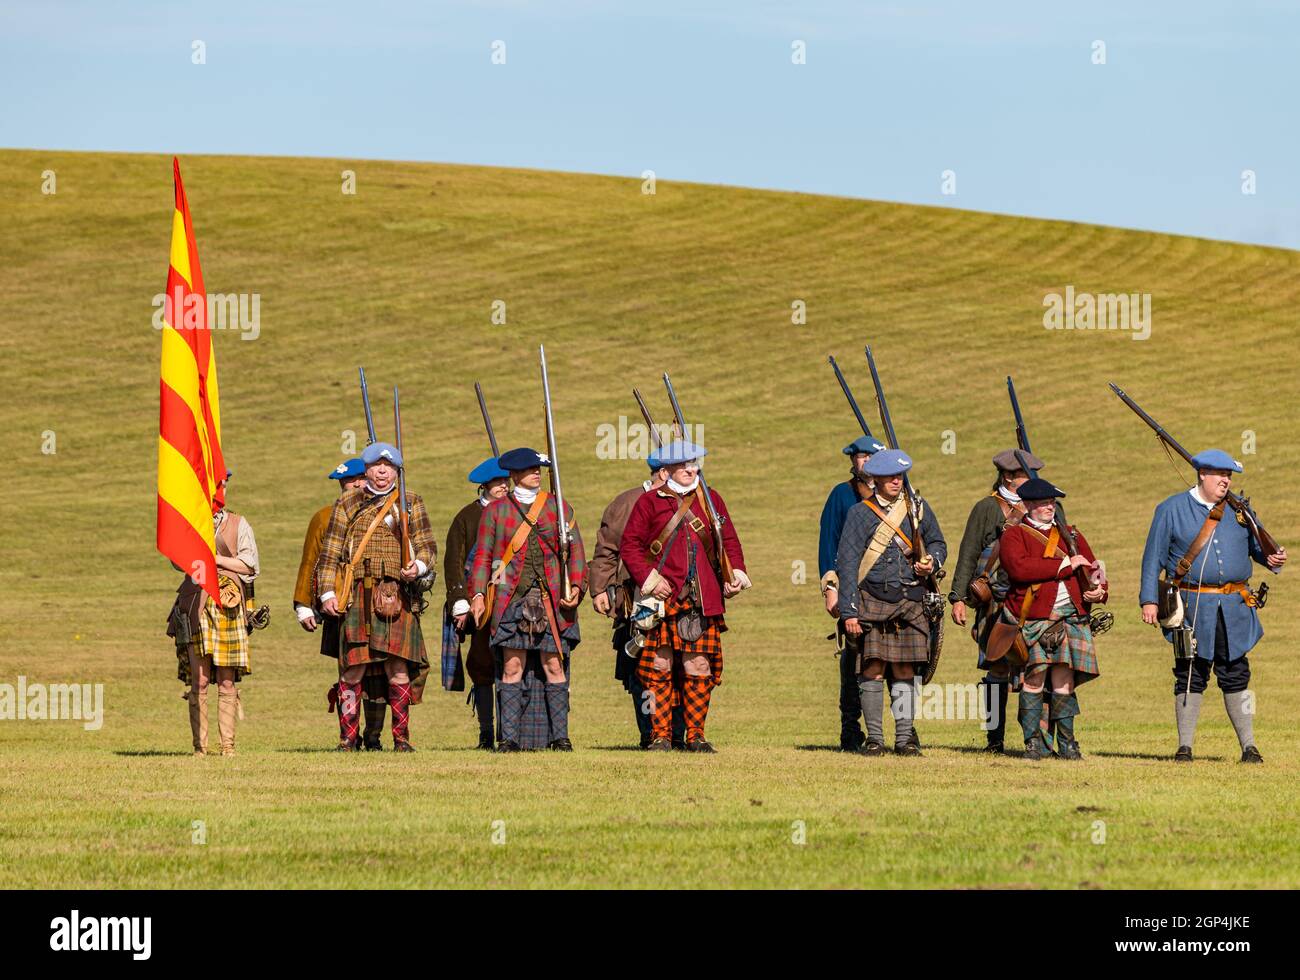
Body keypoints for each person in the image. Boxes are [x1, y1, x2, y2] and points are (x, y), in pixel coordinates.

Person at [1139, 449, 1286, 763]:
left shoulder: (1239, 509)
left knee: (1235, 672)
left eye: (1229, 475)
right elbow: (1152, 559)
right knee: (1190, 672)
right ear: (1202, 474)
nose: (1226, 480)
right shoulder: (1170, 509)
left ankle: (1249, 747)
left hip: (1234, 606)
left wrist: (1270, 559)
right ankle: (1185, 747)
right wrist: (1149, 600)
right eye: (1220, 474)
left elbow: (1258, 548)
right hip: (1190, 607)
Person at [621, 440, 750, 752]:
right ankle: (661, 736)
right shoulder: (649, 502)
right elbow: (631, 545)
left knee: (699, 668)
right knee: (658, 668)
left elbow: (728, 539)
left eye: (694, 464)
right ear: (667, 471)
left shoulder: (711, 498)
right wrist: (650, 579)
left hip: (702, 598)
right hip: (661, 599)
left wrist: (736, 574)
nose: (692, 469)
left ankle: (695, 736)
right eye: (685, 465)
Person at [317, 442, 437, 751]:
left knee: (397, 669)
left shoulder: (410, 501)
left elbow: (428, 547)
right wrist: (327, 592)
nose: (382, 471)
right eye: (375, 466)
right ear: (366, 469)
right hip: (357, 595)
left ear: (397, 470)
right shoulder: (348, 502)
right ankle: (347, 740)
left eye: (388, 466)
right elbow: (330, 553)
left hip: (397, 595)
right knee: (353, 668)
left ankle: (401, 740)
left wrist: (418, 567)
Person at [469, 448, 587, 752]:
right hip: (511, 599)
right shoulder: (496, 511)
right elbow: (483, 557)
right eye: (531, 469)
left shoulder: (558, 507)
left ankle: (560, 737)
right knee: (511, 667)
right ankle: (508, 738)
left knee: (554, 666)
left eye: (539, 468)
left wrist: (575, 586)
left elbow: (576, 553)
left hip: (552, 599)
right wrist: (479, 593)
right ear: (515, 474)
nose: (537, 472)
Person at [835, 448, 946, 757]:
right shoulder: (860, 514)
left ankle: (905, 738)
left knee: (905, 670)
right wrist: (849, 611)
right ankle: (873, 738)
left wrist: (931, 561)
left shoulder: (918, 508)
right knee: (872, 668)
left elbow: (938, 543)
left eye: (899, 476)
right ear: (877, 479)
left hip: (911, 599)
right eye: (889, 477)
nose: (896, 481)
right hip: (872, 598)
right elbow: (847, 563)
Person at [999, 477, 1107, 760]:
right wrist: (1063, 564)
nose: (1050, 507)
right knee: (1034, 680)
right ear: (1029, 505)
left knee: (1064, 680)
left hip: (1072, 617)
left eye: (1052, 502)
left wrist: (1099, 591)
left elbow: (1095, 569)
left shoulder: (1071, 534)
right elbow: (1019, 569)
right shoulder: (1014, 535)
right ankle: (1033, 742)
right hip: (1035, 617)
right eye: (1044, 502)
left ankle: (1068, 743)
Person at [589, 448, 685, 748]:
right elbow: (607, 550)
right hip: (635, 598)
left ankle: (678, 733)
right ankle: (651, 733)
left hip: (680, 596)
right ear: (663, 472)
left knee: (682, 666)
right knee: (642, 669)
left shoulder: (686, 501)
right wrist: (600, 588)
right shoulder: (626, 502)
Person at [948, 449, 1042, 753]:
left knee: (1039, 669)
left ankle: (1037, 740)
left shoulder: (1044, 505)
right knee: (998, 670)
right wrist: (958, 597)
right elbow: (969, 553)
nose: (1033, 480)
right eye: (1027, 475)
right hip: (997, 603)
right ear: (1008, 477)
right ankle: (994, 740)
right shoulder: (986, 508)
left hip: (1036, 600)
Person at [295, 457, 389, 749]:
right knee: (349, 670)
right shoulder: (324, 517)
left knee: (379, 673)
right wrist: (304, 604)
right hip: (338, 605)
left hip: (379, 602)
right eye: (348, 482)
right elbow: (311, 561)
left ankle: (374, 737)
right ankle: (348, 737)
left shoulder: (385, 512)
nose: (354, 486)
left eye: (359, 480)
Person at [167, 469, 259, 757]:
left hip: (228, 607)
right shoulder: (191, 524)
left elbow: (250, 566)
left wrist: (216, 559)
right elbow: (175, 562)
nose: (219, 491)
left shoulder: (238, 524)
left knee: (228, 679)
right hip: (196, 606)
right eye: (212, 486)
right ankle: (200, 748)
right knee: (200, 680)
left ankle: (228, 747)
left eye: (222, 485)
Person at [819, 434, 887, 750]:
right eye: (861, 456)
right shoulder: (841, 495)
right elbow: (828, 544)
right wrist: (830, 589)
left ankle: (904, 731)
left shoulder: (899, 495)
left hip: (894, 589)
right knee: (854, 659)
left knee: (900, 663)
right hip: (853, 588)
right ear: (853, 461)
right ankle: (851, 729)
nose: (867, 462)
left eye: (873, 456)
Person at [443, 456, 511, 749]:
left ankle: (511, 733)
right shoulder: (467, 518)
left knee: (513, 664)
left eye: (506, 482)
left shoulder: (516, 513)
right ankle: (486, 732)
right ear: (484, 486)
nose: (503, 488)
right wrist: (461, 600)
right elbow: (454, 562)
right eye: (497, 483)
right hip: (479, 602)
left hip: (512, 600)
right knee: (482, 665)